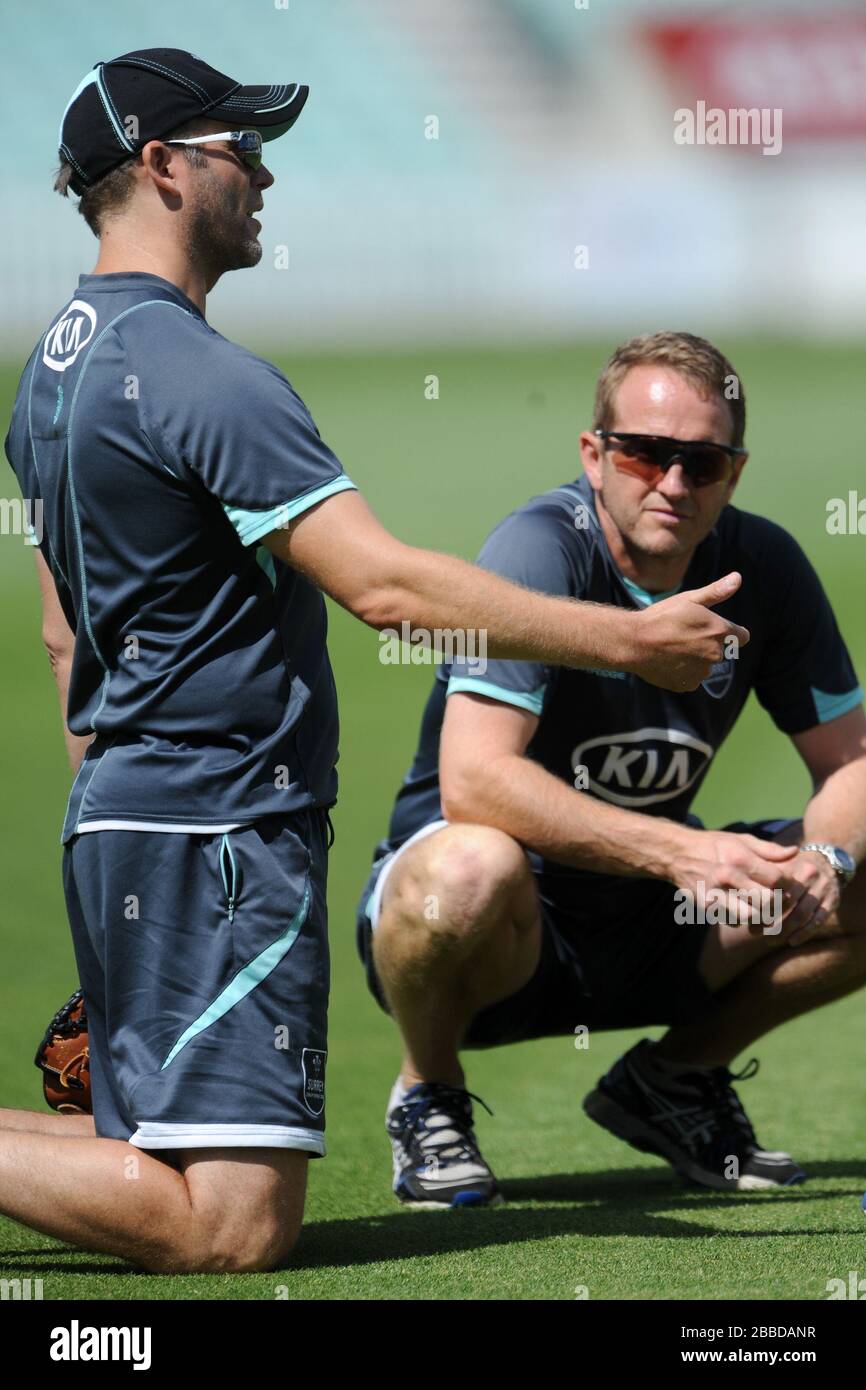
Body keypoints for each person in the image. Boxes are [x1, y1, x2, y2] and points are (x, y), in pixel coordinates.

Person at [1, 52, 732, 1274]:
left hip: (130, 820)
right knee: (232, 1225)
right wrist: (626, 636)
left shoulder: (51, 369)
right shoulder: (199, 372)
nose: (265, 175)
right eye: (241, 149)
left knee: (156, 1165)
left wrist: (113, 849)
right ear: (161, 165)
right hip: (218, 827)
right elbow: (384, 589)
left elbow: (63, 635)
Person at [355, 331, 866, 1207]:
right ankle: (428, 1090)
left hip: (654, 913)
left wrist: (826, 860)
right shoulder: (539, 552)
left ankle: (675, 1080)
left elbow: (851, 760)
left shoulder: (765, 566)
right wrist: (680, 853)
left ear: (734, 474)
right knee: (472, 866)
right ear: (594, 456)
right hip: (499, 932)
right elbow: (474, 784)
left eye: (702, 462)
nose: (673, 482)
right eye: (644, 454)